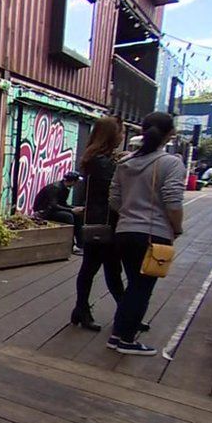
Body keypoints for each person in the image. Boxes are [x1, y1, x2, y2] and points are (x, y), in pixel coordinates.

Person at [108, 112, 185, 356]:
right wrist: (177, 228)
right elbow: (173, 201)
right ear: (170, 134)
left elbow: (114, 199)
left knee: (134, 285)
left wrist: (130, 213)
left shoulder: (125, 162)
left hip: (124, 232)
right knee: (141, 288)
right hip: (154, 234)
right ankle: (126, 340)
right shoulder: (171, 163)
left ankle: (117, 335)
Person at [71, 117, 125, 332]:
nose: (122, 137)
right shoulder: (102, 162)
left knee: (98, 268)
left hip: (99, 220)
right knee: (105, 268)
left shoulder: (97, 159)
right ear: (111, 135)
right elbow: (113, 191)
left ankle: (82, 309)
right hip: (104, 222)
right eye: (120, 132)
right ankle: (126, 311)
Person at [33, 171, 86, 253]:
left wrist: (75, 208)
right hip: (44, 212)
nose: (76, 184)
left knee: (78, 215)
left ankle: (80, 244)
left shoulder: (65, 188)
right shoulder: (56, 188)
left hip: (51, 210)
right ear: (72, 181)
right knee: (68, 216)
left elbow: (63, 204)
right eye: (76, 182)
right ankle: (70, 244)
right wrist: (71, 210)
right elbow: (53, 205)